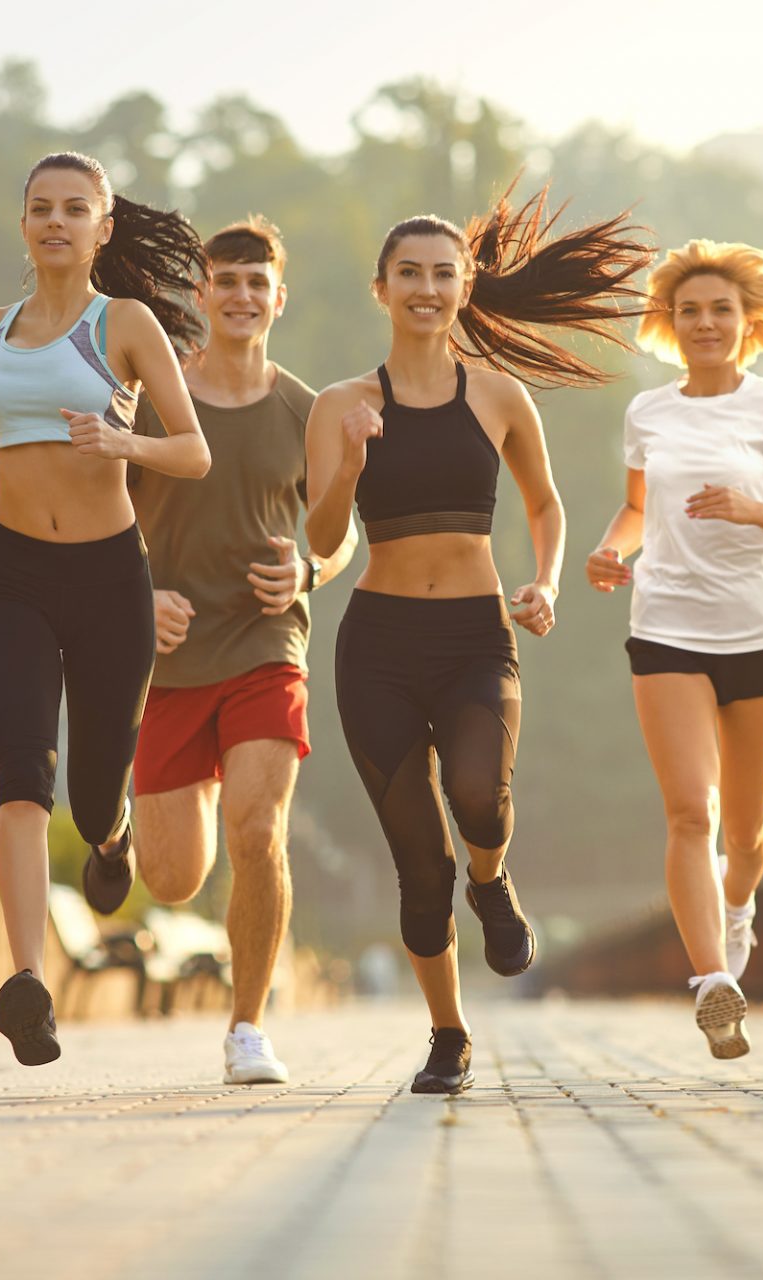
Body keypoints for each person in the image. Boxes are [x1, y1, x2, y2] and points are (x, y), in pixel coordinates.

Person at [305, 187, 651, 1094]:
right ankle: (449, 1035)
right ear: (379, 289)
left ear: (464, 288)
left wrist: (543, 578)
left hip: (474, 633)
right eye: (408, 274)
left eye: (442, 273)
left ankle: (492, 882)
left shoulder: (497, 394)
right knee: (420, 864)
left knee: (479, 802)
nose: (426, 287)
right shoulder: (340, 401)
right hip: (376, 643)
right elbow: (317, 537)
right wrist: (348, 458)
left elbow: (544, 501)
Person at [0, 152, 212, 1067]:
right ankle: (29, 986)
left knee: (89, 795)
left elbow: (193, 452)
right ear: (23, 224)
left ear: (102, 228)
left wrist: (123, 437)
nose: (55, 222)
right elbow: (21, 431)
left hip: (108, 578)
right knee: (21, 779)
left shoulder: (121, 324)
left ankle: (113, 832)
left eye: (74, 209)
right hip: (14, 576)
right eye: (40, 208)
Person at [587, 240, 763, 1060]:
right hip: (665, 627)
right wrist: (610, 550)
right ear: (670, 321)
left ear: (748, 322)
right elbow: (635, 510)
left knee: (749, 828)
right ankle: (713, 984)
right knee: (690, 813)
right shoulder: (649, 413)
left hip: (760, 630)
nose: (705, 322)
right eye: (689, 310)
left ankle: (738, 909)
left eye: (720, 310)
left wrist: (753, 511)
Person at [123, 216, 358, 1085]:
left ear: (278, 300)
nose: (243, 297)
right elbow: (110, 523)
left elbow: (341, 536)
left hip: (266, 645)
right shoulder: (157, 400)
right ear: (202, 295)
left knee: (259, 831)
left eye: (258, 285)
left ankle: (247, 1028)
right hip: (170, 660)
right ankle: (134, 816)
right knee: (175, 878)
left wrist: (306, 570)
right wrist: (139, 599)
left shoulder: (305, 409)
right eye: (227, 282)